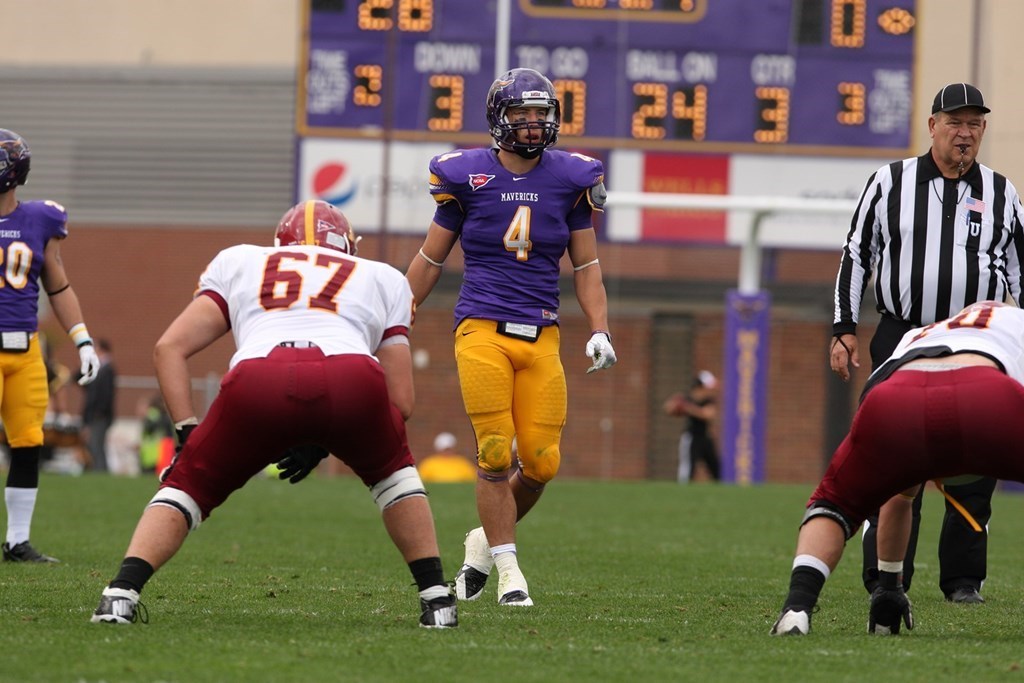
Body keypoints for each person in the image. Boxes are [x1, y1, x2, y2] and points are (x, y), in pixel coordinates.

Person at [90, 200, 457, 629]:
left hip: (258, 376)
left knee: (187, 487)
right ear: (345, 245)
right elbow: (403, 404)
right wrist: (328, 436)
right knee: (394, 474)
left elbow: (168, 348)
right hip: (352, 377)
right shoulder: (382, 277)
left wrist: (189, 431)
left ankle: (120, 594)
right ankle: (437, 601)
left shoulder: (240, 261)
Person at [405, 67, 617, 607]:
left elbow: (587, 266)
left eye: (540, 114)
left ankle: (482, 541)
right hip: (481, 328)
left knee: (543, 462)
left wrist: (599, 328)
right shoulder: (464, 175)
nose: (531, 124)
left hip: (541, 332)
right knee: (496, 453)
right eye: (521, 114)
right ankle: (508, 571)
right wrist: (396, 314)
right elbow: (431, 259)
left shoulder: (572, 179)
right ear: (499, 118)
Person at [829, 83, 1024, 604]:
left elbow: (1022, 271)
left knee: (978, 456)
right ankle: (886, 578)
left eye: (974, 124)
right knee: (896, 452)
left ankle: (964, 581)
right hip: (903, 334)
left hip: (978, 341)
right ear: (932, 125)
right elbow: (857, 254)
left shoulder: (1004, 193)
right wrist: (843, 328)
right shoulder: (889, 182)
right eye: (955, 122)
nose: (965, 133)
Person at [773, 300, 1024, 636]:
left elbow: (897, 493)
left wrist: (889, 587)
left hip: (897, 399)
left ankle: (797, 608)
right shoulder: (1015, 323)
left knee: (834, 504)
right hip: (986, 396)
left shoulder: (922, 332)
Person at [0, 129, 100, 563]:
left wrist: (82, 339)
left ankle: (17, 541)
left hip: (25, 353)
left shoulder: (40, 219)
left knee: (28, 442)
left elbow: (58, 285)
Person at [663, 370, 721, 483]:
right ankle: (683, 493)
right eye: (708, 386)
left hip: (705, 438)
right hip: (691, 438)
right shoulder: (687, 398)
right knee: (688, 470)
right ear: (700, 386)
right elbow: (668, 408)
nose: (711, 389)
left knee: (716, 468)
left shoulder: (707, 401)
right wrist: (676, 405)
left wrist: (688, 408)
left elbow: (708, 414)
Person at [80, 338, 116, 472]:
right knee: (94, 445)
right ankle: (98, 470)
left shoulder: (107, 370)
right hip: (96, 415)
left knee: (96, 445)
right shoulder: (99, 369)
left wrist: (97, 413)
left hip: (99, 416)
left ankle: (100, 471)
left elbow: (104, 395)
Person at [136, 393, 173, 476]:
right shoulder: (156, 415)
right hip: (153, 453)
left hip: (151, 454)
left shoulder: (152, 415)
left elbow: (150, 429)